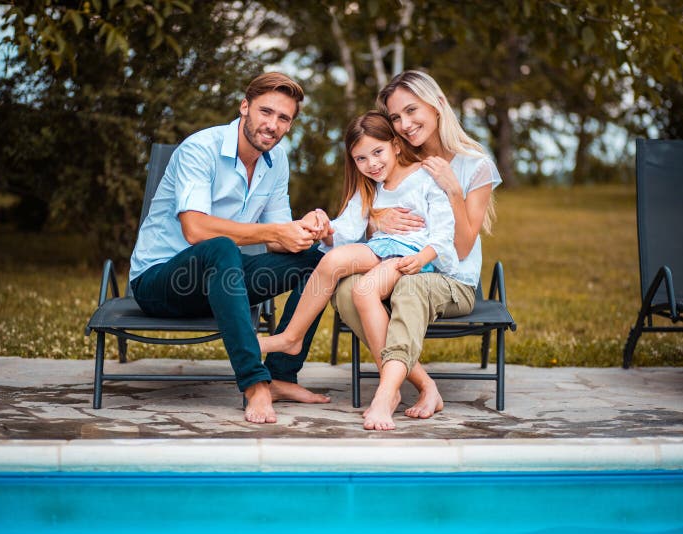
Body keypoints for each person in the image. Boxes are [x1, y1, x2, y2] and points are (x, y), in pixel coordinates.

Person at [128, 72, 332, 425]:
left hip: (226, 281)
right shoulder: (200, 149)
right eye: (265, 112)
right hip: (164, 280)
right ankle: (254, 384)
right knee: (220, 246)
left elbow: (275, 240)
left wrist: (306, 229)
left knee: (319, 262)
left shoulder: (276, 160)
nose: (272, 125)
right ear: (244, 107)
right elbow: (194, 229)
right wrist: (275, 231)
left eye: (283, 118)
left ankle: (281, 374)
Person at [331, 70, 503, 430]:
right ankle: (424, 386)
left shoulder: (475, 164)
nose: (405, 124)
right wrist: (377, 220)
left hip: (450, 277)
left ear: (437, 104)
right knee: (347, 291)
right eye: (396, 117)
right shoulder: (395, 157)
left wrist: (453, 190)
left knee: (411, 285)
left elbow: (462, 245)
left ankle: (385, 392)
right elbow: (366, 210)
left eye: (412, 111)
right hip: (395, 266)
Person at [258, 112, 458, 380]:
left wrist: (424, 257)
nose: (371, 164)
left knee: (361, 285)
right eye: (361, 158)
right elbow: (347, 229)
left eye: (377, 152)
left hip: (414, 256)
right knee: (332, 260)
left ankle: (389, 380)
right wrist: (323, 226)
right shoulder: (370, 188)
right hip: (382, 249)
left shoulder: (424, 178)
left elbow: (445, 229)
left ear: (396, 146)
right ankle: (292, 337)